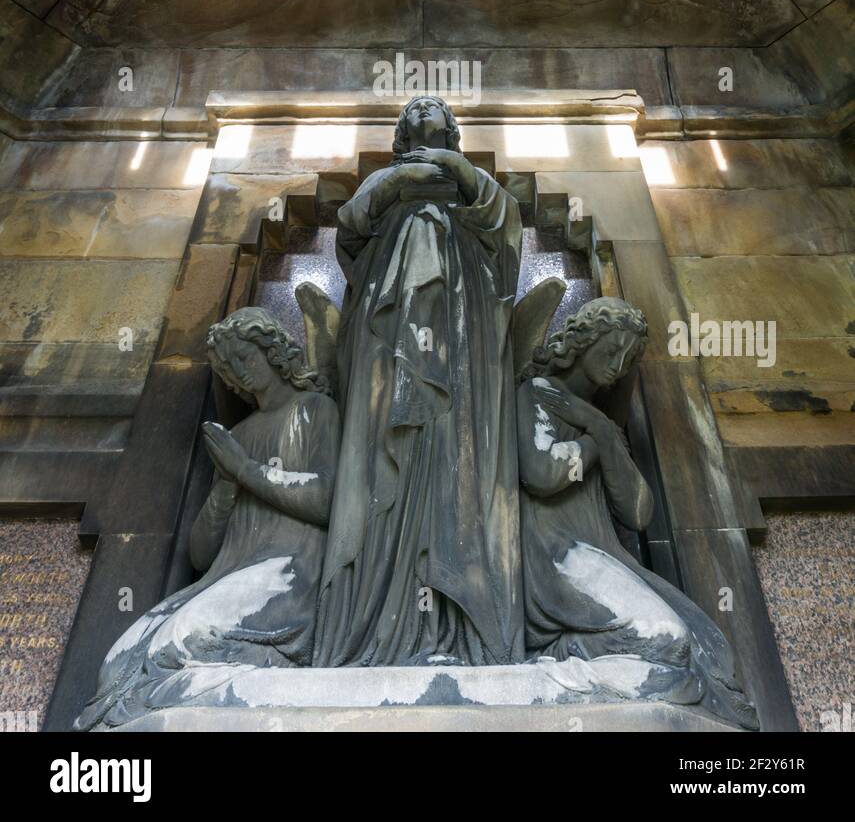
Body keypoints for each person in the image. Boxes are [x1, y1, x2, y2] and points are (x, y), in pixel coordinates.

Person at [313, 95, 525, 667]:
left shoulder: (473, 188)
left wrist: (460, 172)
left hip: (462, 355)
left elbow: (507, 235)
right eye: (417, 113)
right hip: (386, 351)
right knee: (382, 465)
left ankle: (456, 628)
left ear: (454, 134)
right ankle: (379, 628)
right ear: (403, 134)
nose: (428, 114)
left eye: (439, 115)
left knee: (454, 468)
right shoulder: (386, 184)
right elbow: (351, 229)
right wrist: (394, 182)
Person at [76, 307, 340, 730]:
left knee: (184, 641)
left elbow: (327, 501)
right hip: (228, 575)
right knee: (119, 659)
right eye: (231, 365)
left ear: (273, 352)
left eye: (247, 356)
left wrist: (245, 471)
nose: (241, 370)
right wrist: (226, 485)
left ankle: (226, 697)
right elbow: (201, 554)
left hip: (289, 575)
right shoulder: (238, 437)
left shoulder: (314, 411)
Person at [517, 297, 758, 730]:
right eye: (610, 350)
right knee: (668, 638)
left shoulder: (603, 421)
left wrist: (608, 440)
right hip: (552, 555)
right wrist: (599, 442)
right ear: (581, 343)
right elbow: (541, 472)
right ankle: (555, 668)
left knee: (704, 648)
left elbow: (639, 512)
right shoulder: (539, 393)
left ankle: (573, 652)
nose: (617, 364)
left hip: (598, 553)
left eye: (628, 358)